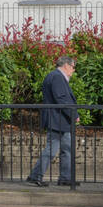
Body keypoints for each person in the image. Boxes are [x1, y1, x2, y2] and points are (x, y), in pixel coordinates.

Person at [27, 55, 78, 188]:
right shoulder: (57, 77)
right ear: (66, 65)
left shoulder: (56, 76)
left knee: (67, 149)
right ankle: (35, 176)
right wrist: (73, 114)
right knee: (51, 149)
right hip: (57, 120)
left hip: (61, 120)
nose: (73, 70)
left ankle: (65, 178)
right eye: (73, 67)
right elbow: (61, 99)